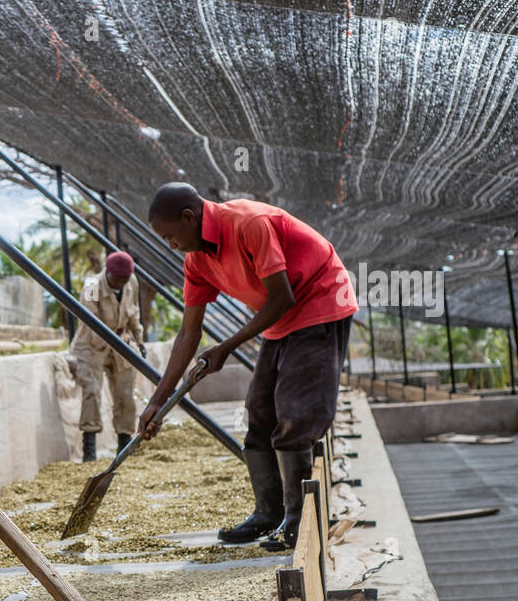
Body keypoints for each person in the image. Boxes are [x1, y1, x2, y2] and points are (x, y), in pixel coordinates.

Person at [139, 183, 356, 550]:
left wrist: (226, 347)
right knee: (259, 410)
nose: (170, 245)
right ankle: (267, 513)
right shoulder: (196, 261)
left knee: (296, 411)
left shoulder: (248, 223)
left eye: (170, 236)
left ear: (189, 217)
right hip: (280, 316)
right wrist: (156, 402)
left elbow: (283, 295)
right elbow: (188, 335)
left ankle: (299, 521)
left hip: (318, 299)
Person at [72, 250, 145, 462]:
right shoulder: (92, 287)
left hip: (121, 342)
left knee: (125, 393)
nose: (121, 283)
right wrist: (110, 339)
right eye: (117, 279)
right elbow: (88, 319)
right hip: (92, 344)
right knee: (92, 392)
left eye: (125, 279)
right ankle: (89, 449)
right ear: (107, 273)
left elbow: (134, 311)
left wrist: (139, 339)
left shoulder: (131, 281)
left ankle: (124, 445)